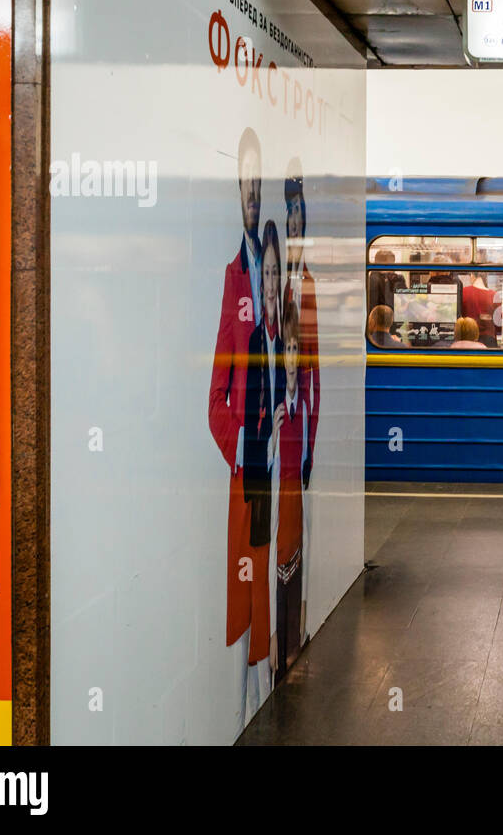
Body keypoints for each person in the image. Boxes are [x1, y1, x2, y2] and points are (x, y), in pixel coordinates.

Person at [207, 127, 269, 729]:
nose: (252, 197)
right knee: (242, 582)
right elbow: (215, 397)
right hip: (246, 465)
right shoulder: (234, 278)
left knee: (263, 580)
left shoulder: (269, 276)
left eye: (259, 185)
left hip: (272, 467)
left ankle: (260, 694)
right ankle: (238, 706)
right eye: (245, 185)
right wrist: (241, 453)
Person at [243, 220, 285, 704]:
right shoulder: (258, 340)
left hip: (282, 479)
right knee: (257, 569)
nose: (271, 282)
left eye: (276, 275)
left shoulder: (281, 335)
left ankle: (270, 658)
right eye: (267, 274)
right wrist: (265, 434)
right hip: (262, 478)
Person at [275, 300, 308, 681]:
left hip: (294, 500)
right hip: (280, 502)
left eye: (296, 348)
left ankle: (289, 645)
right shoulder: (277, 406)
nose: (292, 357)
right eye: (286, 349)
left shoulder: (302, 401)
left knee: (293, 565)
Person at [283, 158, 319, 496]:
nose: (294, 220)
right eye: (289, 210)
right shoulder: (276, 279)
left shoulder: (305, 283)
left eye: (299, 211)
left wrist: (309, 450)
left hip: (297, 420)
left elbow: (313, 373)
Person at [367, 250, 406, 314]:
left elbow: (403, 292)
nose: (393, 267)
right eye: (391, 264)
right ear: (382, 264)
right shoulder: (374, 280)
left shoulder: (391, 277)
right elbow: (374, 306)